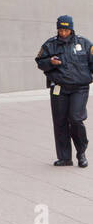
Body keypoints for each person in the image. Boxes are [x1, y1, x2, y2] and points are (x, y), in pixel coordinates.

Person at [35, 15, 93, 168]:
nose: (63, 32)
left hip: (79, 88)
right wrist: (50, 62)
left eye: (66, 29)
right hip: (59, 88)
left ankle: (81, 152)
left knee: (75, 118)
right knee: (60, 122)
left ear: (71, 29)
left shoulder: (84, 43)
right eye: (60, 29)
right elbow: (39, 62)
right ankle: (65, 157)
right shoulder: (50, 45)